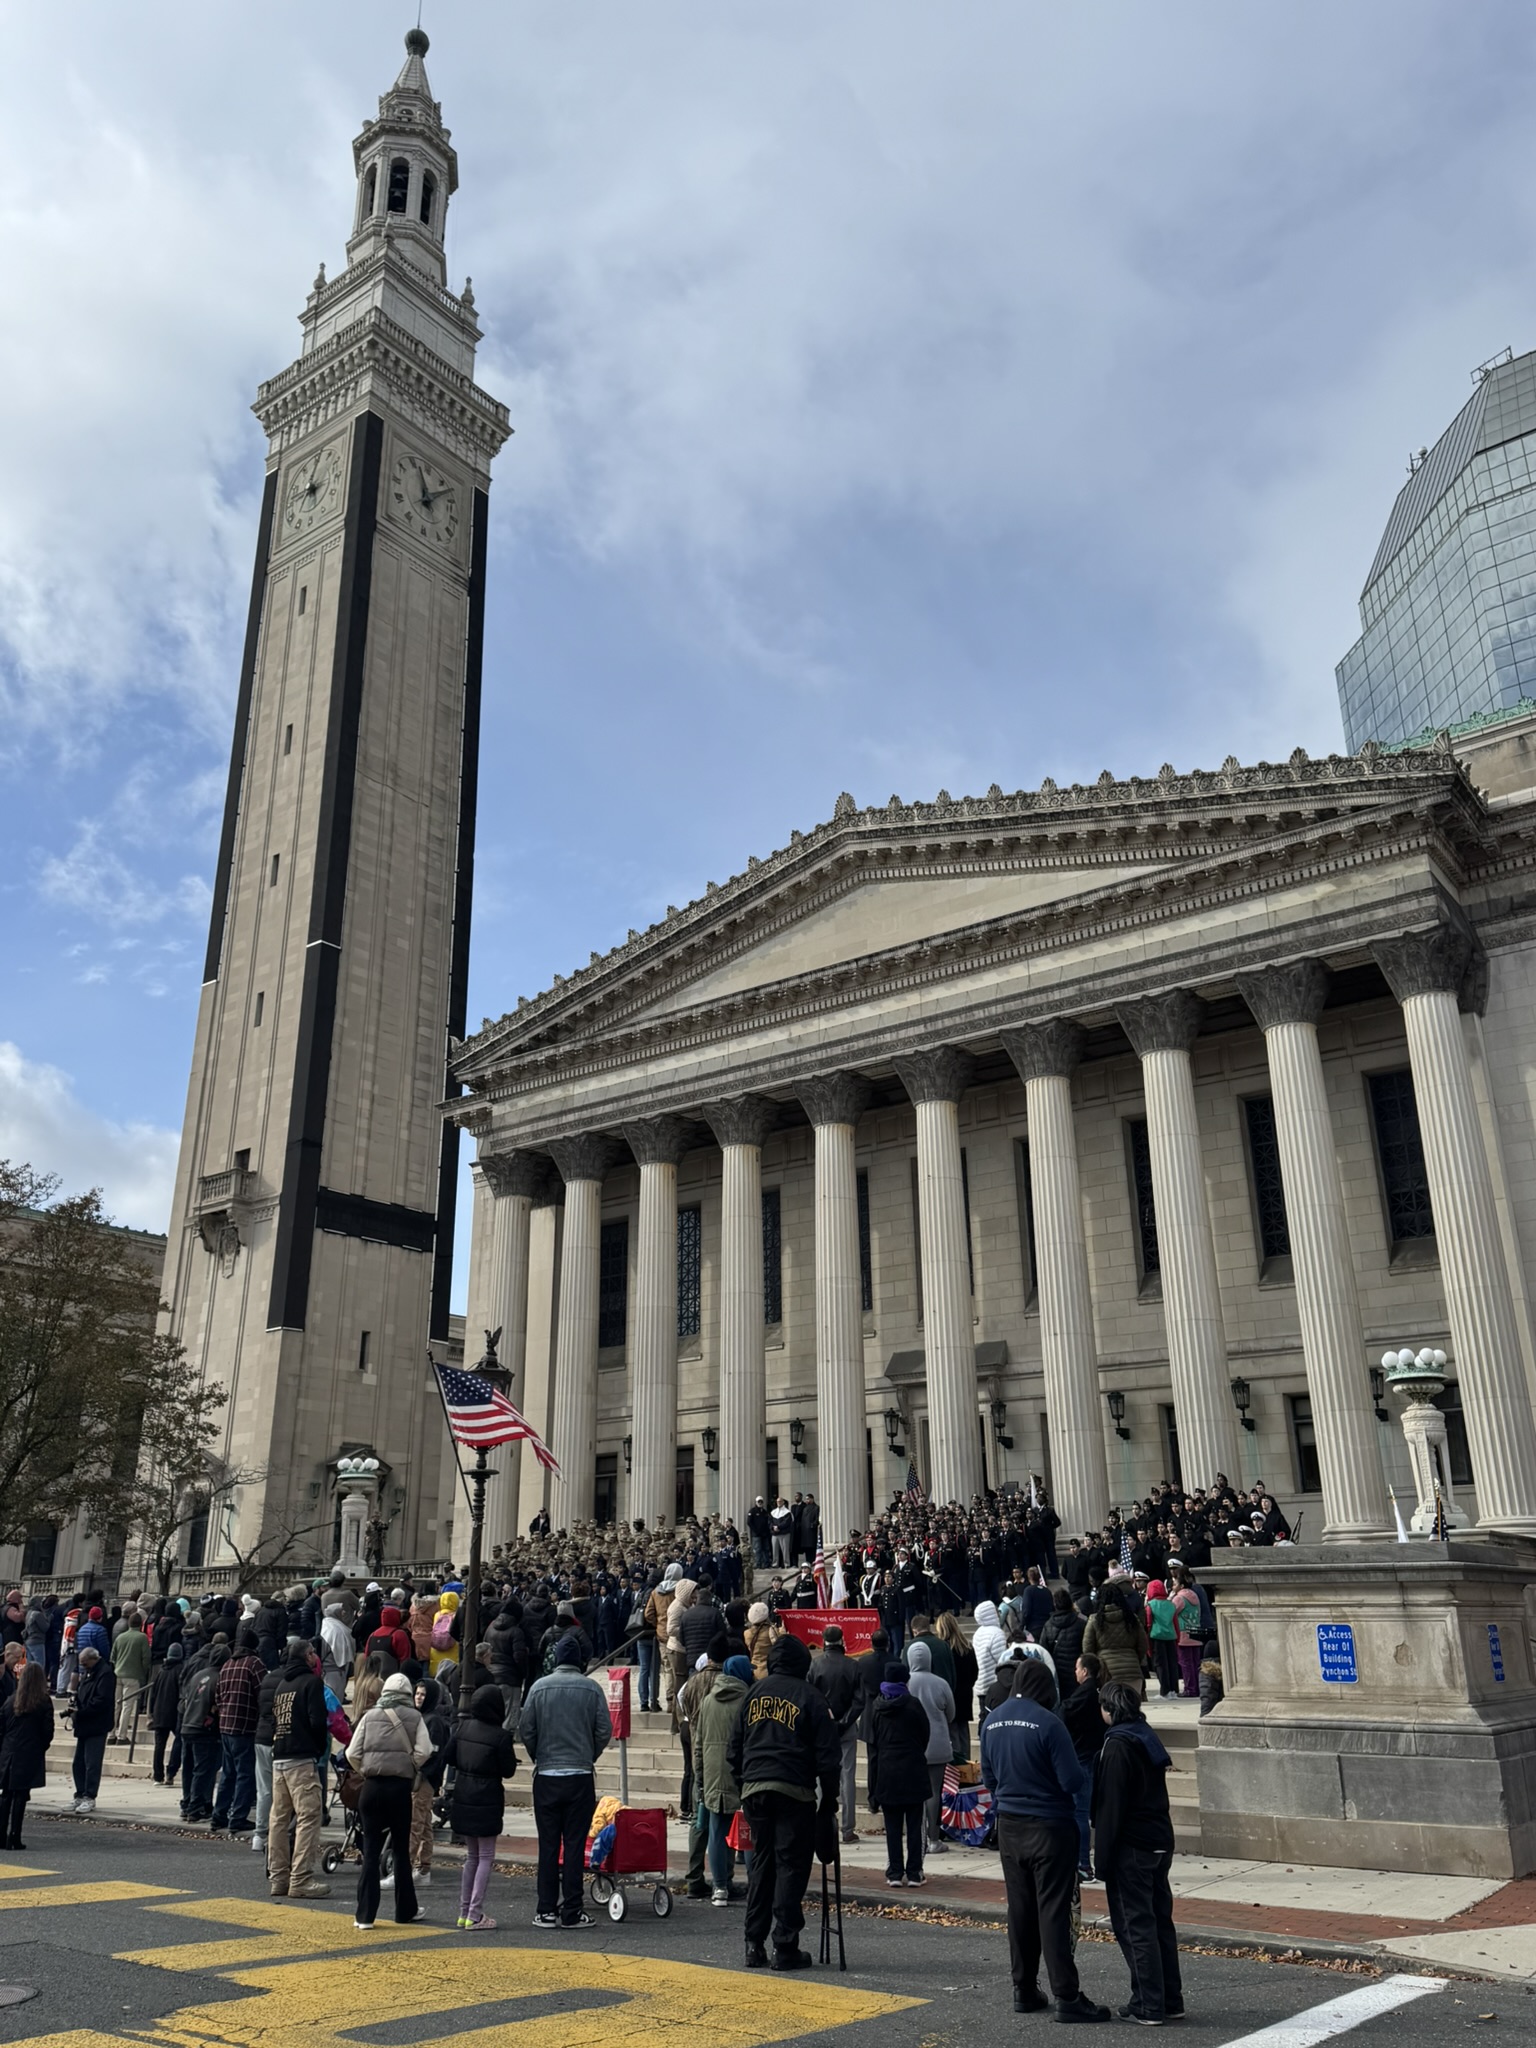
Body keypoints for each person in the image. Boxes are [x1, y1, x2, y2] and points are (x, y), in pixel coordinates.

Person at [979, 1656, 1107, 2024]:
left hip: (1010, 1826)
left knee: (1020, 1908)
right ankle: (1066, 1994)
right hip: (1049, 1826)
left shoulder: (992, 1720)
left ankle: (1024, 1987)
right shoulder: (1048, 1723)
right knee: (1053, 1911)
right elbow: (1071, 1781)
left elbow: (989, 1778)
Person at [725, 1632, 840, 1972]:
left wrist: (743, 1783)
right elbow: (828, 1758)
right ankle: (785, 1945)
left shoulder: (753, 1694)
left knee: (762, 1864)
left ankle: (753, 1943)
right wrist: (829, 1800)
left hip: (755, 1790)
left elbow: (734, 1748)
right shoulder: (812, 1698)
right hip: (793, 1790)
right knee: (790, 1865)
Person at [1093, 1682, 1182, 2026]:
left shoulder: (1117, 1745)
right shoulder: (1145, 1735)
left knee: (1135, 1925)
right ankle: (1170, 1999)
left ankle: (1148, 2003)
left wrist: (1102, 1861)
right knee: (1159, 1922)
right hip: (1159, 1837)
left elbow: (1111, 1807)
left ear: (1110, 1710)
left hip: (1133, 1845)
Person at [518, 1634, 611, 1930]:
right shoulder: (591, 1688)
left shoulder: (538, 1688)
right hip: (580, 1775)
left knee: (548, 1844)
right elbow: (603, 1730)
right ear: (580, 1661)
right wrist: (588, 1755)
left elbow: (526, 1730)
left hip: (546, 1774)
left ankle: (546, 1909)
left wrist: (539, 1756)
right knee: (573, 1844)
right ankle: (572, 1908)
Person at [346, 1670, 432, 1930]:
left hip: (371, 1788)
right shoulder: (415, 1717)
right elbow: (425, 1751)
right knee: (401, 1850)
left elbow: (352, 1752)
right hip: (399, 1788)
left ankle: (364, 1916)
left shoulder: (369, 1716)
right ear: (407, 1694)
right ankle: (404, 1910)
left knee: (370, 1851)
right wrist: (408, 1765)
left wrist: (366, 1769)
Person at [449, 1683, 517, 1930]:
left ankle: (464, 1910)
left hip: (464, 1793)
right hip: (487, 1797)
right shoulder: (500, 1736)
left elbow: (448, 1756)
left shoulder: (462, 1727)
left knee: (472, 1856)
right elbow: (508, 1770)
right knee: (486, 1855)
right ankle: (475, 1914)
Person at [268, 1640, 331, 1901]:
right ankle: (301, 1878)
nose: (316, 1657)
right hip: (301, 1757)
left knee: (279, 1820)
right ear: (307, 1656)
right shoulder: (311, 1683)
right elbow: (318, 1721)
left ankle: (279, 1877)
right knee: (308, 1817)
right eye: (313, 1653)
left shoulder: (283, 1684)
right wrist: (318, 1748)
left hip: (280, 1756)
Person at [868, 1659, 931, 1889]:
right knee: (915, 1825)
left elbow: (873, 1744)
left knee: (892, 1827)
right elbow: (925, 1734)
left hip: (887, 1770)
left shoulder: (876, 1708)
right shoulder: (914, 1705)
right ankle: (915, 1872)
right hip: (913, 1769)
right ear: (906, 1680)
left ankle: (895, 1871)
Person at [695, 1652, 750, 1906]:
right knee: (747, 1831)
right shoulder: (749, 1701)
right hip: (742, 1772)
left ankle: (720, 1888)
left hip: (713, 1772)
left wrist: (700, 1779)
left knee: (717, 1830)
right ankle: (754, 1884)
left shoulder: (707, 1701)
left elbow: (698, 1744)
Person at [809, 1623, 862, 1844]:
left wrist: (827, 1721)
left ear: (823, 1641)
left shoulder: (815, 1665)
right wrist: (844, 1722)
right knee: (847, 1776)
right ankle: (847, 1828)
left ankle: (821, 1824)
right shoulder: (852, 1666)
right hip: (846, 1727)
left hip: (822, 1728)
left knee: (821, 1776)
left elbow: (811, 1697)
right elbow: (859, 1700)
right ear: (842, 1641)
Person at [903, 1641, 955, 1855]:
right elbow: (951, 1713)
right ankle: (934, 1839)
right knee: (934, 1792)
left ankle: (915, 1836)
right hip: (938, 1744)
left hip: (912, 1746)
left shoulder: (904, 1683)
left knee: (913, 1792)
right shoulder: (941, 1683)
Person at [1059, 1651, 1108, 1878]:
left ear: (1085, 1671)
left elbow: (1064, 1712)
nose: (1075, 1672)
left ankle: (1083, 1864)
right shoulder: (1099, 1691)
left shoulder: (1084, 1694)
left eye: (1077, 1668)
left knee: (1080, 1811)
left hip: (1083, 1754)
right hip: (1095, 1752)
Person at [210, 1630, 263, 1832]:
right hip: (245, 1725)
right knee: (245, 1774)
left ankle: (219, 1814)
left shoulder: (226, 1665)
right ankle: (238, 1816)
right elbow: (263, 1692)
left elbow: (218, 1696)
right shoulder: (254, 1664)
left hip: (225, 1726)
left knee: (228, 1773)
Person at [0, 1662, 53, 1848]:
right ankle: (15, 1835)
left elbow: (1, 1728)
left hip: (9, 1753)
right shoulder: (43, 1702)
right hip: (29, 1753)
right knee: (21, 1796)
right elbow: (48, 1731)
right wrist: (40, 1747)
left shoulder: (11, 1700)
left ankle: (1, 1834)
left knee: (6, 1794)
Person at [411, 1676, 452, 1889]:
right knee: (424, 1822)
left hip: (424, 1778)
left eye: (423, 1694)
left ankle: (406, 1867)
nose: (419, 1697)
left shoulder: (433, 1721)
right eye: (417, 1693)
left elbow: (435, 1754)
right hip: (421, 1776)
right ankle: (423, 1867)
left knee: (414, 1822)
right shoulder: (421, 1717)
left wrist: (422, 1773)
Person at [1083, 1581, 1150, 1693]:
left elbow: (1087, 1649)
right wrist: (1133, 1657)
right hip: (1132, 1670)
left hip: (1106, 1673)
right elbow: (1143, 1644)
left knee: (1110, 1708)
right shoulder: (1131, 1618)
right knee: (1132, 1708)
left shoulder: (1094, 1620)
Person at [148, 1641, 185, 1785]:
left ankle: (158, 1775)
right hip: (175, 1712)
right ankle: (171, 1772)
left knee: (159, 1746)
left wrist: (151, 1712)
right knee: (179, 1742)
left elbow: (153, 1694)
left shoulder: (161, 1671)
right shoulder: (181, 1670)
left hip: (160, 1712)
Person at [1143, 1583, 1178, 1700]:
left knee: (1160, 1665)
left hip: (1157, 1637)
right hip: (1171, 1636)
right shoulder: (1171, 1604)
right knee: (1172, 1663)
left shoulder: (1150, 1605)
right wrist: (1177, 1637)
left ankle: (1165, 1691)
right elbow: (1175, 1623)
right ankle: (1174, 1690)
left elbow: (1148, 1624)